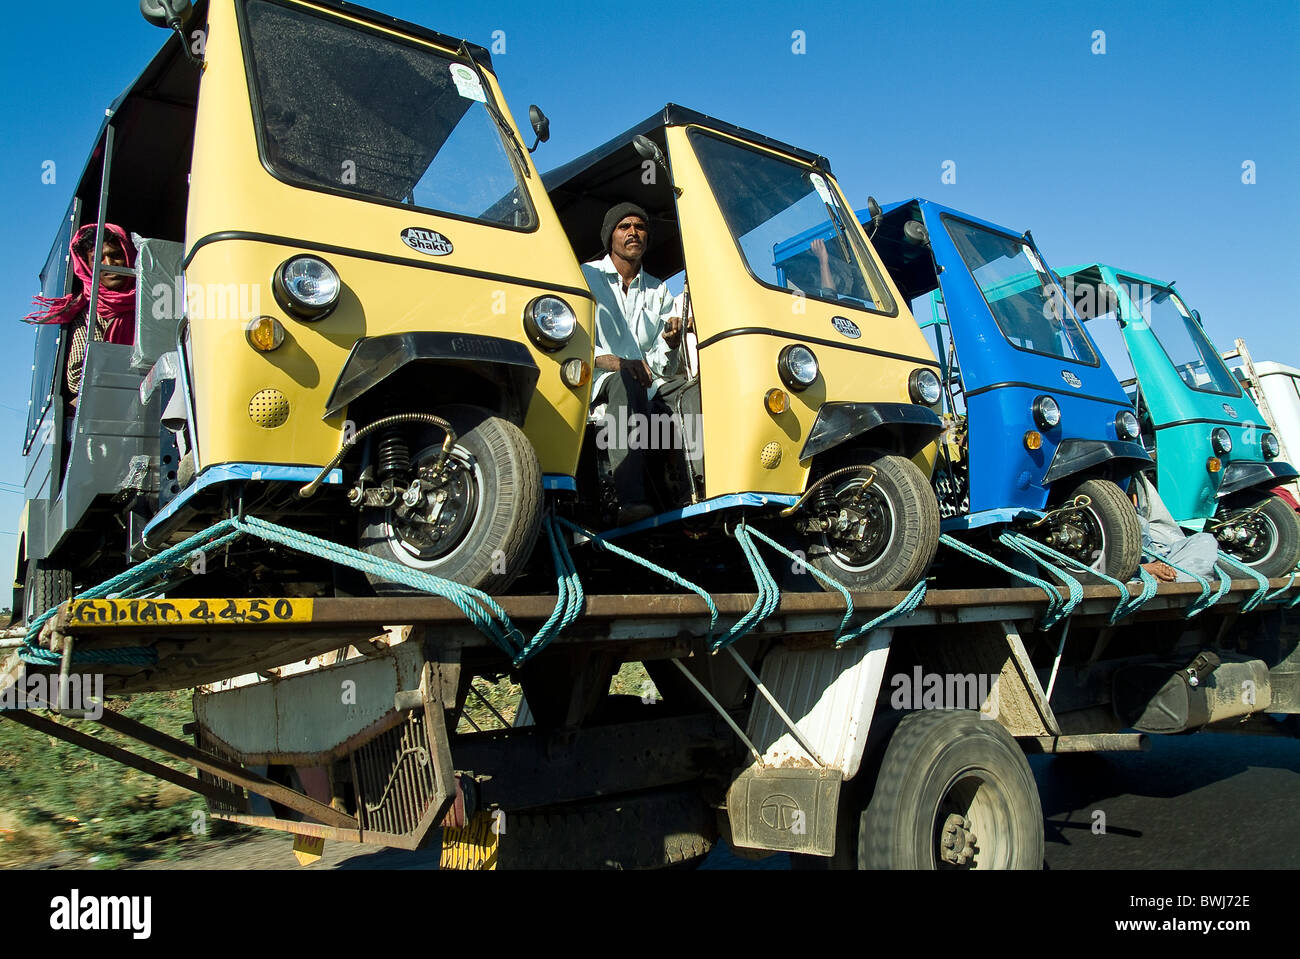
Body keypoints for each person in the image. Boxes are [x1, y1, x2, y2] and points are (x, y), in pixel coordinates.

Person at [581, 203, 687, 525]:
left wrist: (669, 343)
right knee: (623, 382)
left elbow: (660, 366)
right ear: (609, 236)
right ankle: (630, 500)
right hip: (599, 382)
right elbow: (566, 334)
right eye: (624, 226)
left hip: (646, 384)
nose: (633, 233)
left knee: (691, 392)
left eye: (639, 227)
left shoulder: (658, 289)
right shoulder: (586, 276)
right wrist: (612, 361)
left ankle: (692, 493)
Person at [25, 223, 137, 403]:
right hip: (108, 402)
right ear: (87, 267)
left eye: (115, 256)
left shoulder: (150, 300)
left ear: (128, 256)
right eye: (98, 259)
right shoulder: (88, 314)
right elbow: (78, 379)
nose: (108, 264)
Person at [1130, 471, 1219, 582]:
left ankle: (1168, 578)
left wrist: (1159, 563)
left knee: (1205, 540)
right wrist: (1144, 569)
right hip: (1125, 573)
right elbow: (1102, 566)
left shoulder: (1132, 507)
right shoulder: (1103, 517)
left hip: (1158, 558)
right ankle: (1167, 581)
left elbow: (1159, 542)